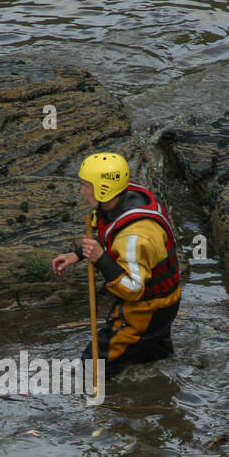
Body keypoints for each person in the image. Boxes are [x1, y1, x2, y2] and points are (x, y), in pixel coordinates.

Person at [51, 152, 182, 379]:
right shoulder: (123, 196)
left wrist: (101, 259)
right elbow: (112, 234)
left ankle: (110, 409)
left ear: (104, 189)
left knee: (90, 370)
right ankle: (157, 393)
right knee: (154, 356)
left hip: (146, 312)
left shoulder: (136, 235)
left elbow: (132, 289)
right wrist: (78, 254)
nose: (81, 191)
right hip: (164, 303)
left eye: (85, 186)